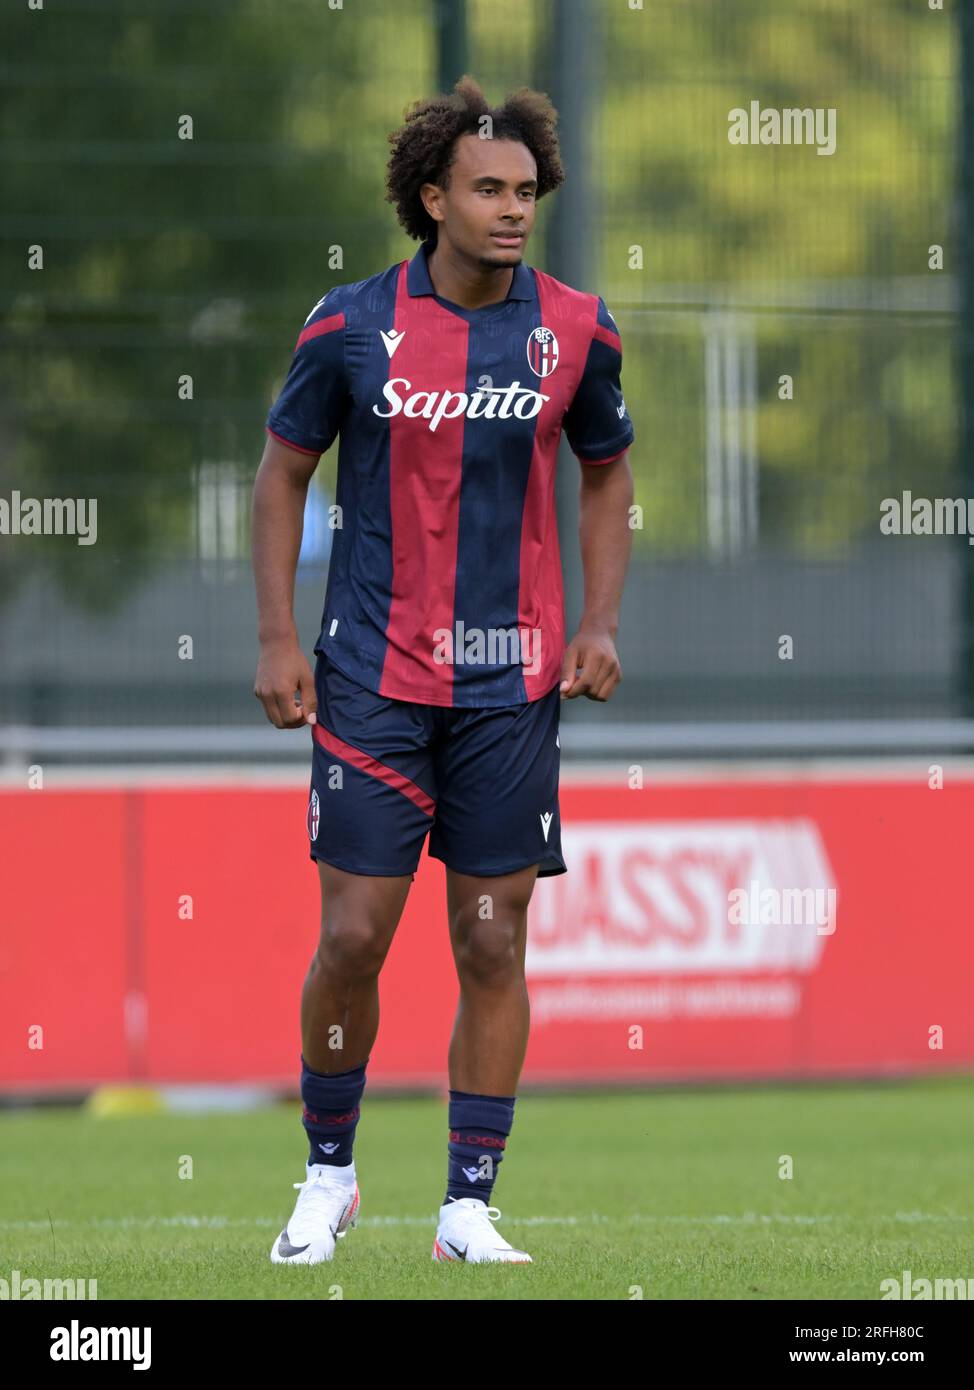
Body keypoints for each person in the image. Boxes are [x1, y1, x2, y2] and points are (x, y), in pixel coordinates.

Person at [252, 74, 635, 1266]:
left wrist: (599, 621)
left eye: (526, 190)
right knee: (356, 934)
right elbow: (280, 475)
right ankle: (327, 1176)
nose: (513, 208)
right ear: (433, 198)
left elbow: (607, 470)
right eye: (487, 189)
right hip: (369, 673)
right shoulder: (351, 325)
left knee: (490, 938)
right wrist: (274, 637)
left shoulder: (576, 328)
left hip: (508, 685)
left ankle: (466, 1205)